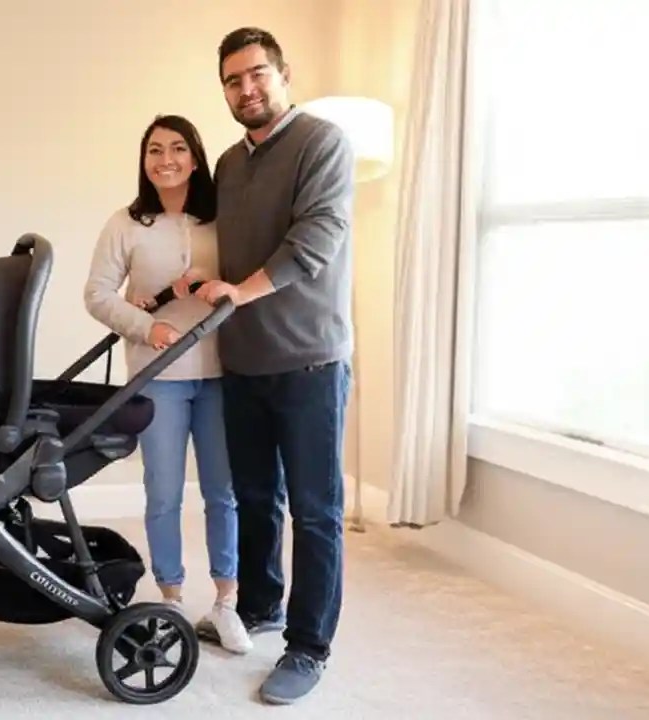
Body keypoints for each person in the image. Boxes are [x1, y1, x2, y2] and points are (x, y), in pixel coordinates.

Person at [184, 27, 356, 705]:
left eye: (257, 74)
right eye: (232, 80)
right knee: (255, 496)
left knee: (316, 512)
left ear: (283, 74)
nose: (246, 88)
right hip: (243, 359)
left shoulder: (324, 143)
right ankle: (259, 605)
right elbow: (218, 248)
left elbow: (312, 242)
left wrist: (238, 291)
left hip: (310, 360)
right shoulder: (229, 164)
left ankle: (309, 648)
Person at [83, 114, 253, 655]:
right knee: (163, 493)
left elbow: (245, 285)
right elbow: (98, 294)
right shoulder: (126, 224)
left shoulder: (224, 220)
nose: (166, 159)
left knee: (223, 493)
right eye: (155, 150)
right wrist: (144, 325)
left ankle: (226, 601)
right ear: (144, 160)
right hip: (159, 377)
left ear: (196, 158)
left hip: (222, 374)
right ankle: (172, 600)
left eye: (178, 149)